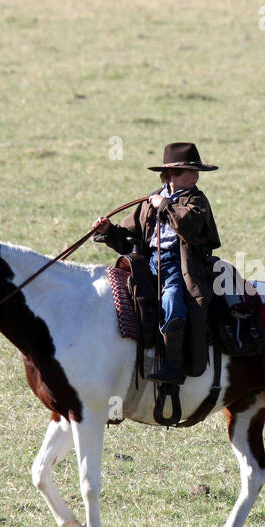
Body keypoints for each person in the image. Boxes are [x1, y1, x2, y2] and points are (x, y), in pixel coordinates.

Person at [92, 141, 221, 384]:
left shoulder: (196, 200)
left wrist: (164, 206)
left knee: (172, 300)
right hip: (148, 261)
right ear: (172, 174)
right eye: (191, 171)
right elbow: (129, 236)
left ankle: (173, 366)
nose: (196, 176)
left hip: (180, 265)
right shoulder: (150, 201)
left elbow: (190, 228)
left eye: (196, 172)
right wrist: (108, 230)